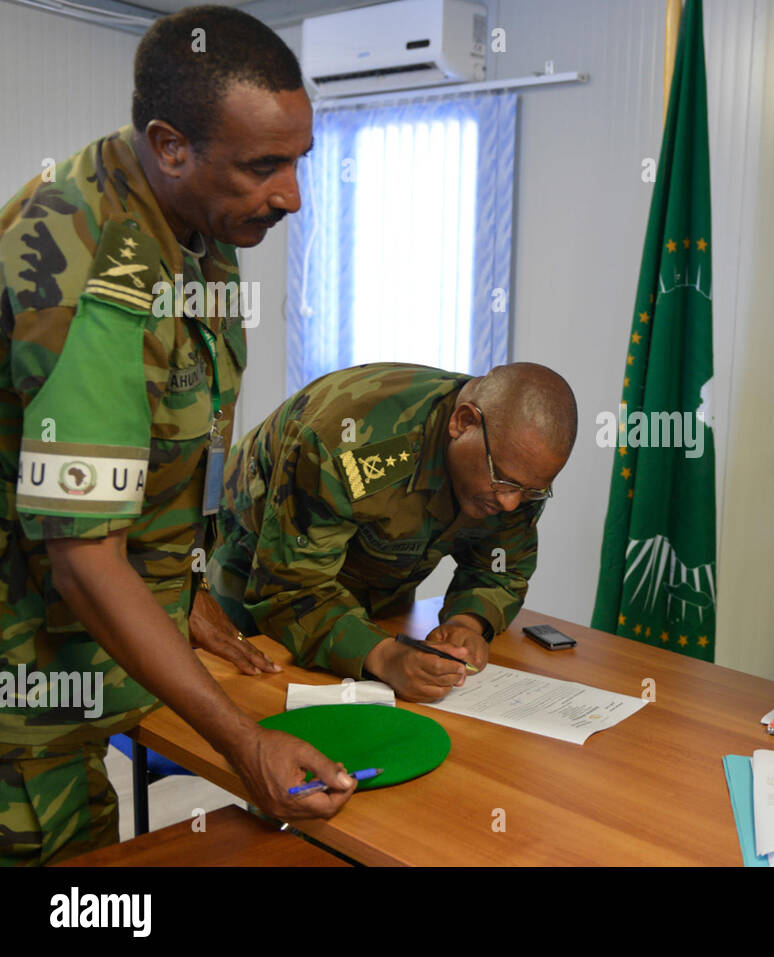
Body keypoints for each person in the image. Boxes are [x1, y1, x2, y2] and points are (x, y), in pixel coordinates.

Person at [0, 6, 356, 866]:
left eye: (298, 161)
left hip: (91, 651)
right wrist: (243, 744)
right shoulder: (93, 277)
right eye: (264, 166)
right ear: (170, 143)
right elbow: (85, 560)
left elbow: (164, 445)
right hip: (31, 687)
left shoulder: (193, 210)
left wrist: (180, 587)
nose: (291, 196)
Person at [208, 362, 577, 701]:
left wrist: (469, 622)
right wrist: (384, 657)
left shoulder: (514, 468)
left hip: (374, 575)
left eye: (531, 491)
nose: (513, 503)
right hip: (254, 554)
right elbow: (291, 590)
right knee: (239, 698)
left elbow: (499, 568)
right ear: (462, 422)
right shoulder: (355, 447)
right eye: (505, 482)